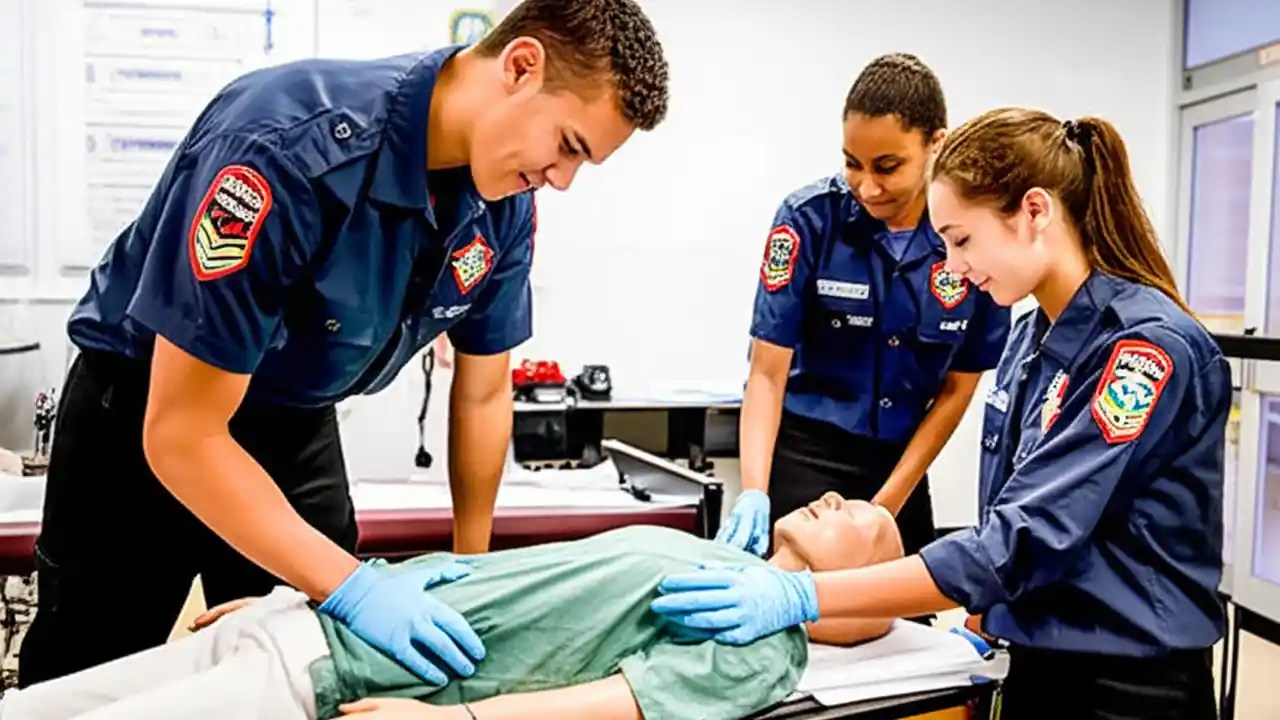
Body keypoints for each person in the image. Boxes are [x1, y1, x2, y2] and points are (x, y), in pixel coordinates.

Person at [19, 0, 670, 689]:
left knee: (316, 662)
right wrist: (353, 586)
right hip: (148, 408)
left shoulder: (504, 205)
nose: (563, 179)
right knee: (90, 674)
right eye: (568, 145)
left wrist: (474, 572)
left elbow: (481, 391)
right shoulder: (285, 148)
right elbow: (182, 433)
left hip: (293, 417)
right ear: (520, 66)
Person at [652, 107, 1232, 720]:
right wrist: (984, 622)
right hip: (1041, 661)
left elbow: (1021, 538)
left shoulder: (1142, 352)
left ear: (1034, 212)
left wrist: (801, 594)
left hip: (1126, 689)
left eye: (960, 240)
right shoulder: (1035, 336)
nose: (950, 267)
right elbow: (1016, 506)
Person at [0, 499, 905, 720]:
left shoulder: (766, 648)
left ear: (860, 599)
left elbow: (621, 704)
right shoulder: (722, 560)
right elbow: (499, 584)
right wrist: (302, 587)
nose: (840, 500)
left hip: (319, 675)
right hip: (301, 620)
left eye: (868, 521)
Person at [716, 53, 1010, 562]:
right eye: (853, 163)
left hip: (901, 464)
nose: (867, 186)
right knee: (794, 619)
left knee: (908, 628)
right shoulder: (809, 220)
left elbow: (958, 389)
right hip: (804, 455)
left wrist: (886, 507)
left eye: (887, 167)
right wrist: (755, 492)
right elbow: (766, 374)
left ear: (935, 145)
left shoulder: (968, 235)